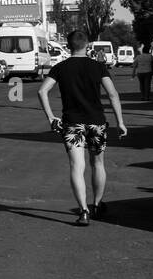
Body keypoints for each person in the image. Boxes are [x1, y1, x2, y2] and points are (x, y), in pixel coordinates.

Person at [38, 30, 127, 227]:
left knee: (77, 167)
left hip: (72, 123)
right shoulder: (98, 67)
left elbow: (42, 91)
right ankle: (96, 204)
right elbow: (113, 95)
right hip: (96, 121)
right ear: (87, 45)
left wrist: (51, 117)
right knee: (98, 164)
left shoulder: (60, 68)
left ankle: (83, 212)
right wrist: (120, 121)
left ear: (69, 46)